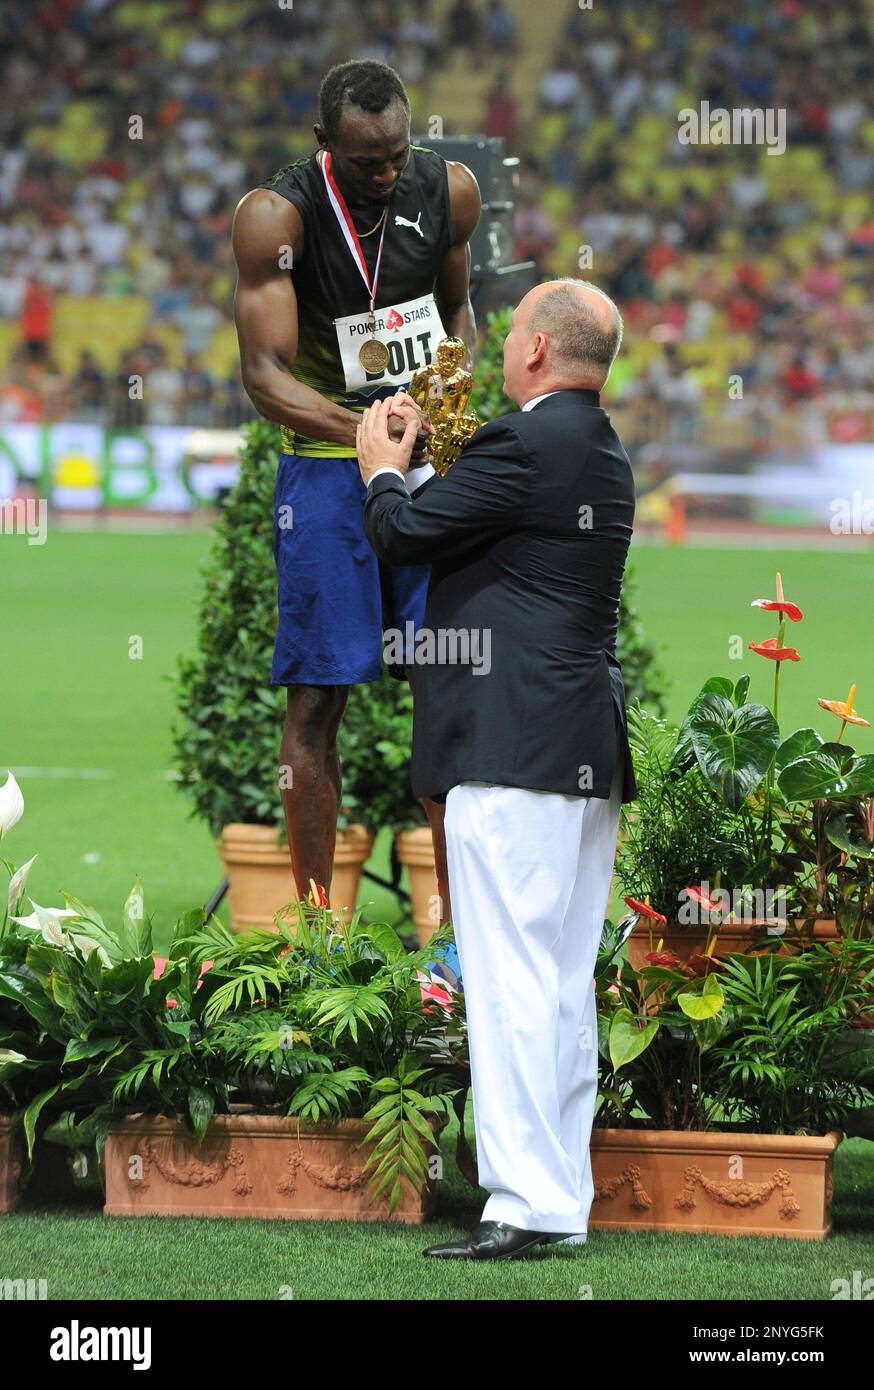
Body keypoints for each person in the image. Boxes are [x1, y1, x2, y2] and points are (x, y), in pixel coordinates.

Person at [356, 278, 638, 1261]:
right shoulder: (595, 447)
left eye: (512, 333)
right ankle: (556, 1199)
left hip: (510, 745)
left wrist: (380, 470)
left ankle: (519, 1202)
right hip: (578, 746)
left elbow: (401, 534)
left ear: (532, 352)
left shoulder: (521, 441)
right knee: (559, 981)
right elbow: (489, 533)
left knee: (514, 976)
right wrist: (427, 472)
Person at [231, 60, 481, 920]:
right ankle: (315, 936)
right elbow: (264, 377)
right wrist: (366, 434)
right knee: (316, 701)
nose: (384, 173)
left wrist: (447, 394)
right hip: (328, 473)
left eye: (395, 155)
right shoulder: (276, 217)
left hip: (419, 470)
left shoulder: (450, 190)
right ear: (323, 143)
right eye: (366, 160)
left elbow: (461, 315)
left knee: (445, 683)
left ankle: (456, 935)